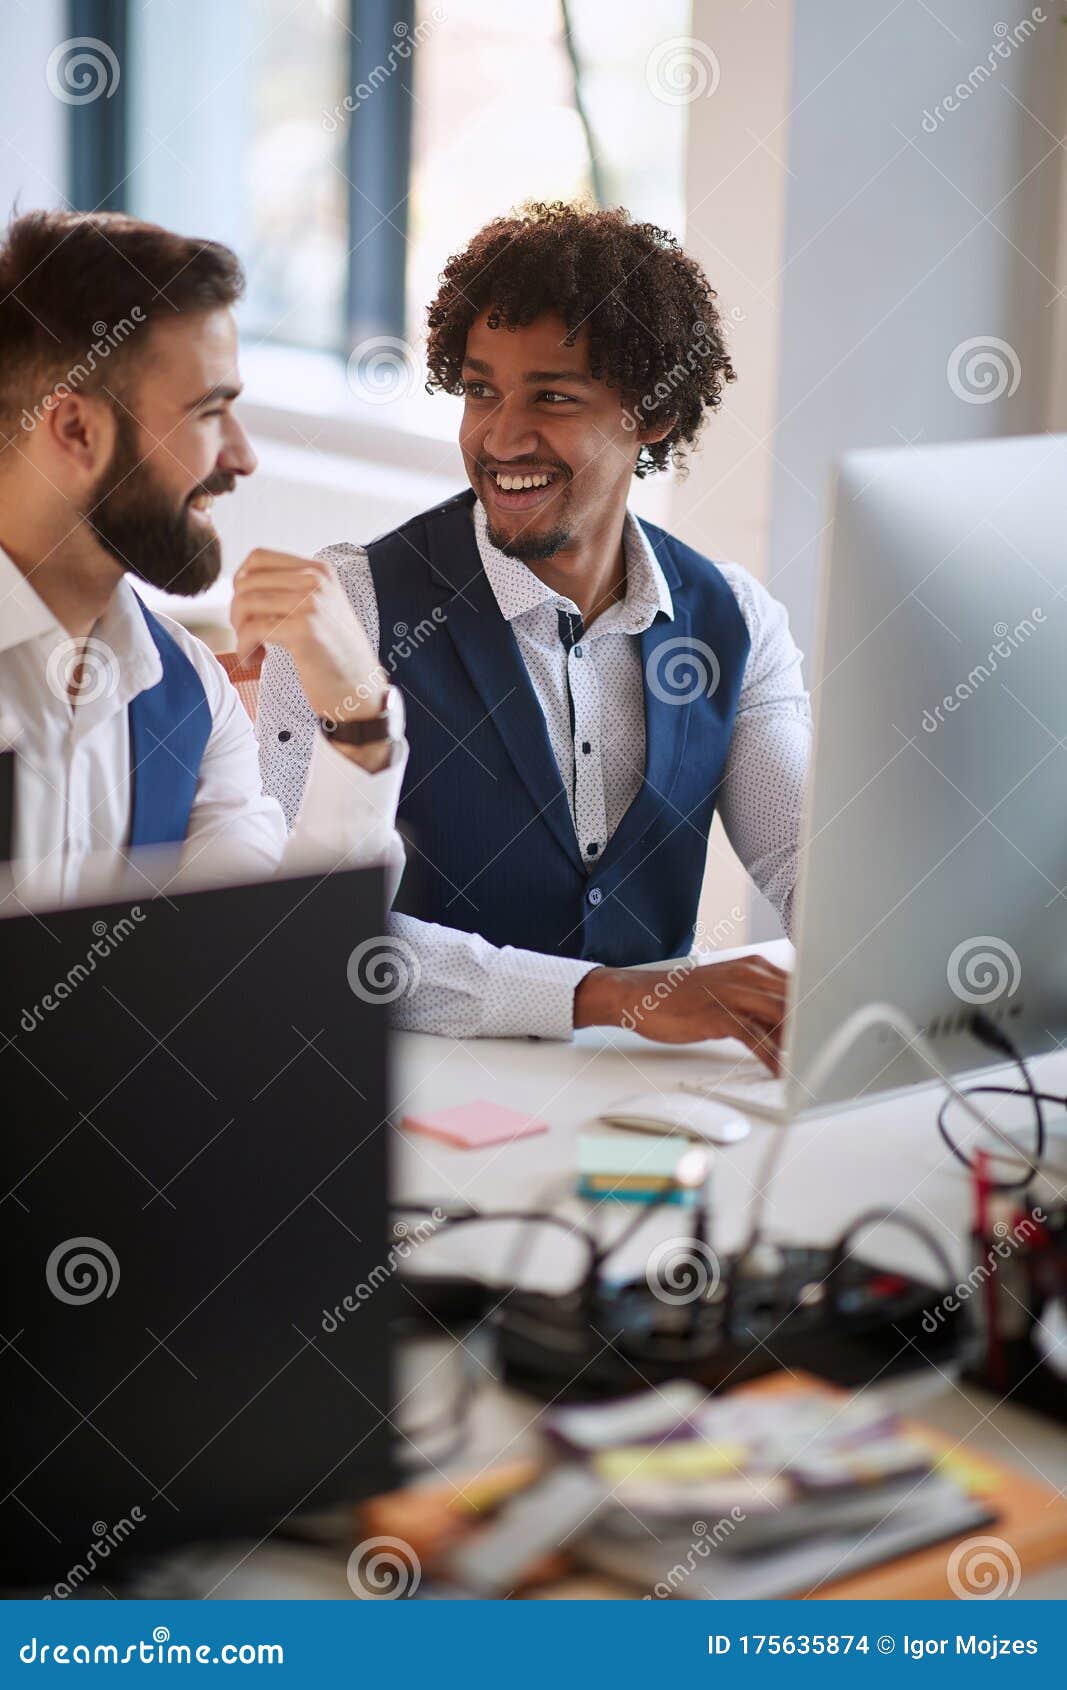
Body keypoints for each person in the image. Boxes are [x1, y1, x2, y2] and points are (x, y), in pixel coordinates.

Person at [258, 204, 810, 1069]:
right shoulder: (351, 606)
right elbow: (303, 933)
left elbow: (805, 857)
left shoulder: (732, 619)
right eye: (481, 390)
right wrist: (610, 998)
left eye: (552, 396)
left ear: (652, 415)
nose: (499, 437)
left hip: (638, 1099)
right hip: (413, 1100)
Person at [0, 210, 405, 910]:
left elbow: (263, 969)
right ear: (75, 429)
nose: (242, 458)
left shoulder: (191, 691)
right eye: (210, 413)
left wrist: (359, 717)